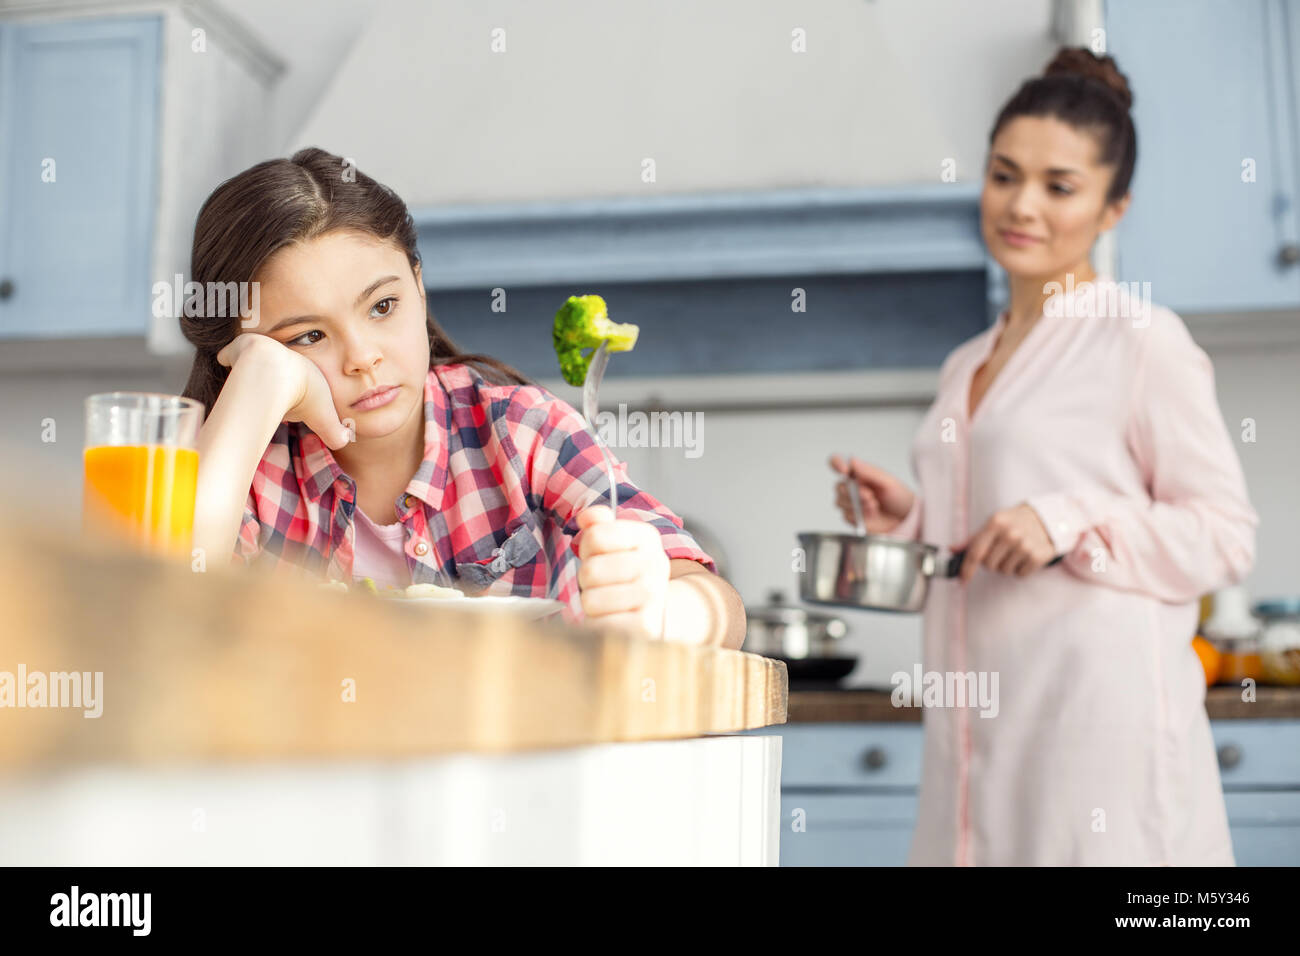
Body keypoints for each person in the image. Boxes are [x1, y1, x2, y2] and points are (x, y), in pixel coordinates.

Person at [831, 48, 1257, 865]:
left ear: (1112, 209)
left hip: (1096, 742)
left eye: (1059, 187)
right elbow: (985, 539)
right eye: (1003, 174)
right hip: (974, 736)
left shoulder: (1140, 341)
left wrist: (1064, 520)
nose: (1021, 205)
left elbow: (1224, 535)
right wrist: (911, 518)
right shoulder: (967, 363)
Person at [183, 147, 745, 649]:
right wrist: (253, 390)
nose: (362, 357)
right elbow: (164, 621)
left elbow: (718, 604)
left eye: (382, 307)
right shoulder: (244, 463)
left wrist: (664, 612)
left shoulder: (521, 431)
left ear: (419, 286)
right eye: (308, 336)